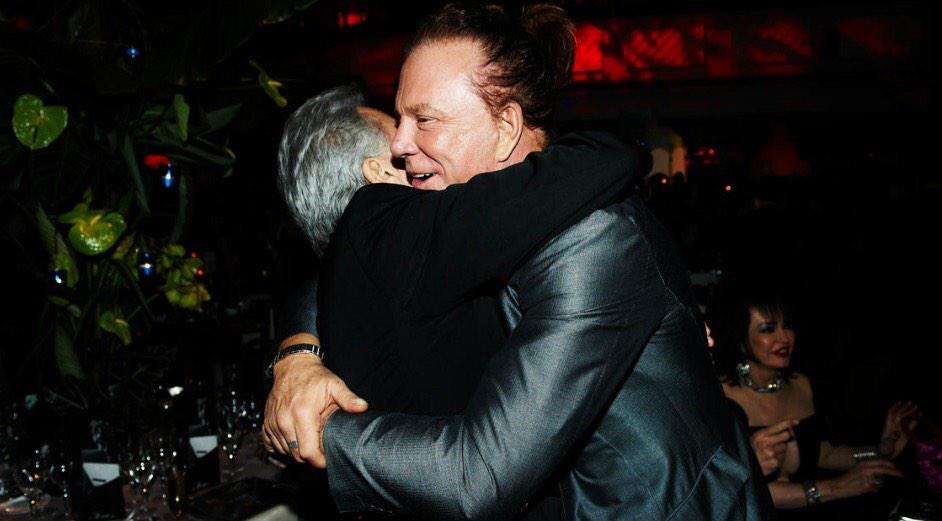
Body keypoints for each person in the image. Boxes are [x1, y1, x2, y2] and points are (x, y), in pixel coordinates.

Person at [267, 3, 772, 519]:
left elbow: (478, 475)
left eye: (425, 119)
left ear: (506, 125)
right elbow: (350, 262)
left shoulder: (595, 242)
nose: (399, 143)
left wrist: (319, 430)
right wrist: (297, 356)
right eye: (400, 118)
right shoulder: (479, 219)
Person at [715, 289, 919, 515]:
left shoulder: (801, 385)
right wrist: (836, 488)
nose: (784, 338)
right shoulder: (720, 397)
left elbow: (824, 454)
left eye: (787, 326)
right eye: (768, 329)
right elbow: (725, 488)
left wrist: (879, 451)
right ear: (740, 340)